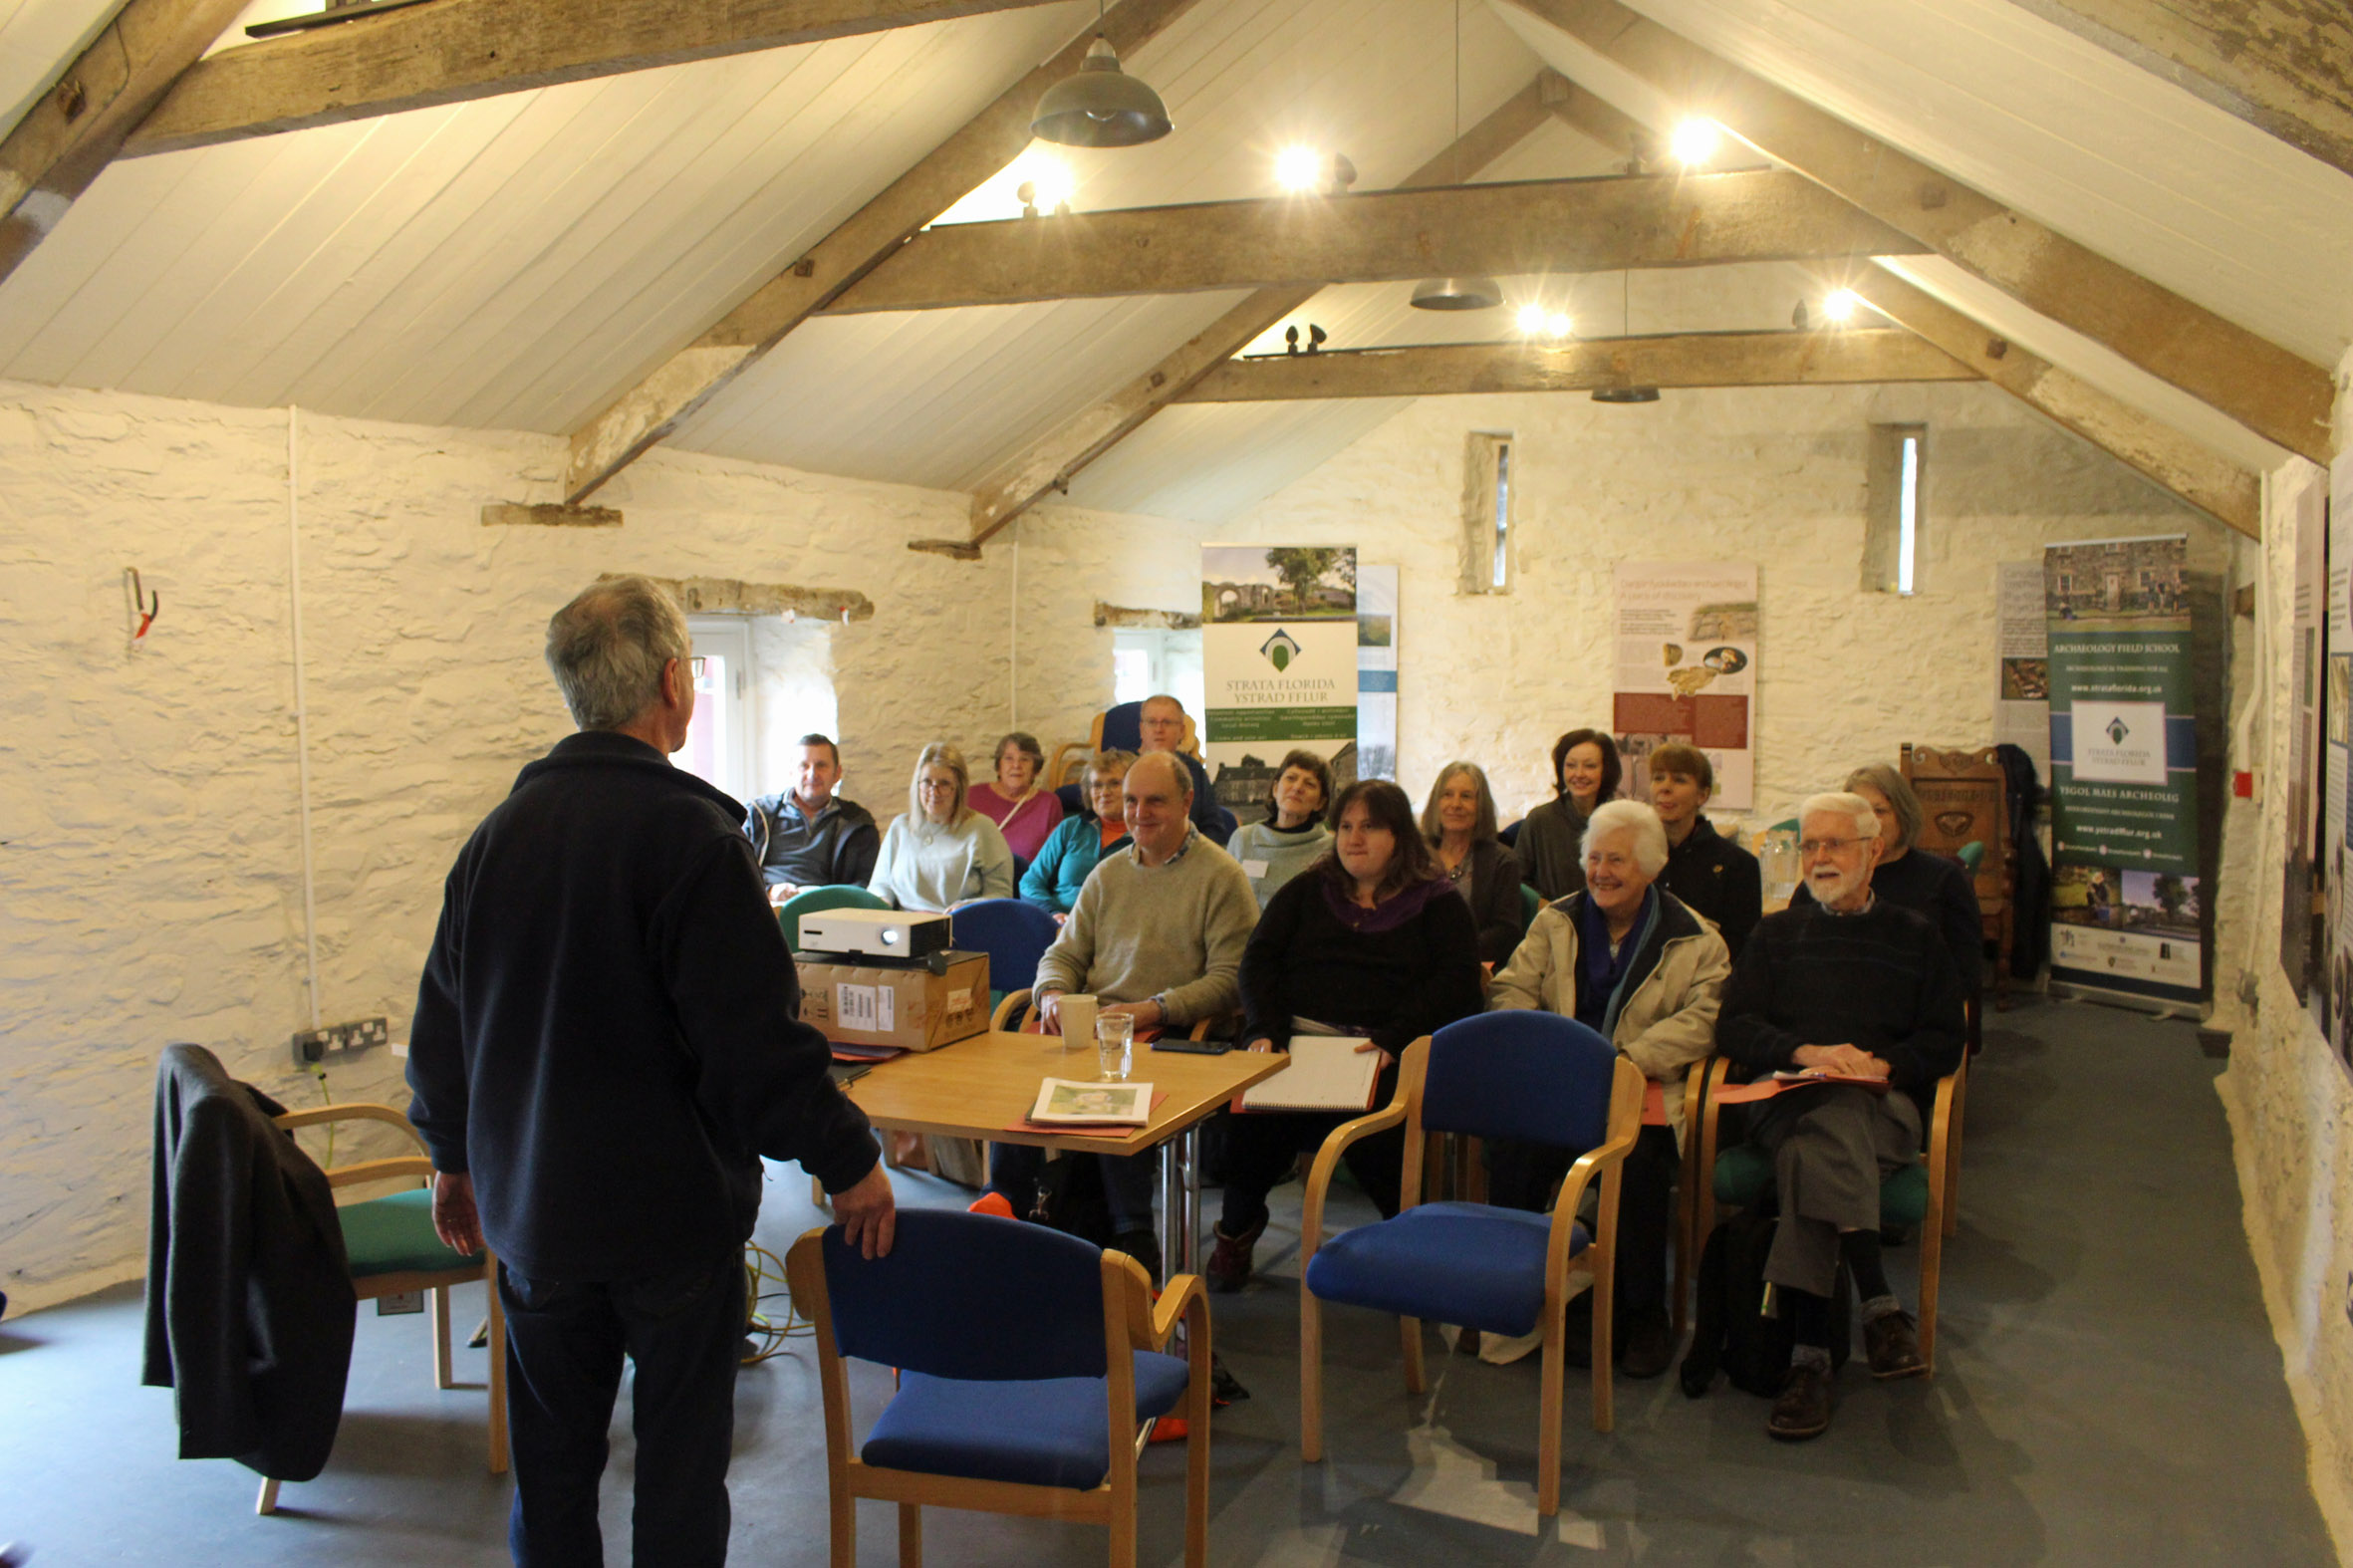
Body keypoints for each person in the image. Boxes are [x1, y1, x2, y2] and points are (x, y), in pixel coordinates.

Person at [405, 576, 895, 1566]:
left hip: (533, 1213)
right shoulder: (695, 841)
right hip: (668, 1221)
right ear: (675, 681)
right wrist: (850, 1160)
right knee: (676, 1476)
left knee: (551, 1471)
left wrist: (450, 1153)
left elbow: (444, 1021)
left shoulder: (494, 839)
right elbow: (754, 1046)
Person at [1715, 792, 1965, 1441]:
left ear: (1873, 850)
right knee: (1828, 1109)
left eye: (1835, 844)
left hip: (1883, 1109)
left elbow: (1945, 1039)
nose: (1819, 857)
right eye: (1810, 845)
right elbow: (1735, 1028)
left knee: (1824, 1134)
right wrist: (1806, 1052)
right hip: (1784, 1098)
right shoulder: (1775, 934)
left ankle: (1808, 1363)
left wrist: (1883, 1066)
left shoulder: (1916, 937)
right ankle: (1879, 1308)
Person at [987, 750, 1258, 1279]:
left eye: (1155, 800)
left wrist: (1152, 1008)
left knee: (1111, 1088)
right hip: (1096, 1025)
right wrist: (1051, 995)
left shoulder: (1221, 877)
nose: (1139, 812)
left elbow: (1230, 980)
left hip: (1170, 1030)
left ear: (1186, 802)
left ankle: (1134, 1240)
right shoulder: (1108, 874)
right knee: (1012, 1089)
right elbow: (1062, 956)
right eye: (1131, 800)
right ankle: (1008, 1214)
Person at [1205, 780, 1484, 1293]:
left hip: (1382, 1051)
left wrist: (1394, 1038)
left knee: (1379, 1135)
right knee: (1249, 1128)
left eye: (1370, 827)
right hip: (1295, 1044)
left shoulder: (1436, 901)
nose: (1354, 839)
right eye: (1347, 827)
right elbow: (1259, 959)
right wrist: (1263, 1030)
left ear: (1399, 835)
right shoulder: (1311, 888)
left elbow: (1458, 980)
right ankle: (1237, 1231)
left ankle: (1409, 1247)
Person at [1484, 801, 1730, 1376]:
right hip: (1557, 1084)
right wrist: (1546, 1045)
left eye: (1615, 860)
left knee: (1638, 1169)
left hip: (1636, 1088)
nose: (1600, 873)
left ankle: (1644, 1315)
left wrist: (1625, 1060)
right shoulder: (1556, 921)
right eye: (1593, 859)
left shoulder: (1695, 938)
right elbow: (1511, 989)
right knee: (1513, 1152)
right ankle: (1511, 1297)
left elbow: (1705, 1019)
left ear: (1648, 867)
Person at [1790, 763, 1982, 996]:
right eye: (1860, 813)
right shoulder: (1828, 878)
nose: (1870, 821)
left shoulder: (1944, 879)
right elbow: (1791, 956)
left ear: (1903, 814)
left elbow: (1965, 971)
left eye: (1880, 811)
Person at [866, 742, 1016, 912]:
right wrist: (883, 902)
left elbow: (1001, 895)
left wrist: (967, 908)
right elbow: (881, 884)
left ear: (958, 788)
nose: (934, 792)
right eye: (927, 782)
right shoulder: (900, 827)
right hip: (902, 926)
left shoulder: (982, 829)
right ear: (917, 784)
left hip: (957, 926)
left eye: (944, 784)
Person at [1649, 741, 1763, 959]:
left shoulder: (1737, 864)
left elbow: (1743, 950)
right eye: (1658, 778)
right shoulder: (1634, 854)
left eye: (1679, 779)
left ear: (1702, 795)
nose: (1665, 787)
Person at [743, 733, 880, 902]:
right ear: (792, 771)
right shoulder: (757, 815)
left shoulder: (857, 822)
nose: (812, 774)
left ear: (837, 774)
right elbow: (735, 873)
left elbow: (866, 883)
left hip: (826, 913)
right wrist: (768, 891)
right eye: (804, 766)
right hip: (764, 907)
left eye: (821, 766)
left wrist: (827, 899)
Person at [1421, 761, 1526, 966]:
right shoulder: (1416, 855)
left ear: (1481, 806)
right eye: (1447, 794)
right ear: (1436, 802)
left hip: (1472, 965)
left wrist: (1453, 950)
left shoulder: (1503, 861)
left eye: (1466, 796)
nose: (1455, 804)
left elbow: (1507, 932)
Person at [1019, 749, 1135, 918]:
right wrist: (1052, 913)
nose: (1104, 792)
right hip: (1061, 925)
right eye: (1097, 785)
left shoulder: (1145, 835)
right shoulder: (1071, 827)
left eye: (1114, 783)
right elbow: (1031, 881)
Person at [1515, 728, 1620, 900]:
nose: (1579, 774)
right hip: (1551, 919)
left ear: (1606, 770)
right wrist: (1541, 904)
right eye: (1571, 765)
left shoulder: (1619, 821)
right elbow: (1517, 880)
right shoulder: (1540, 820)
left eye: (1590, 766)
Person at [1225, 748, 1335, 909]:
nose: (1297, 787)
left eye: (1309, 784)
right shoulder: (1243, 839)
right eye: (1291, 778)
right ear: (1275, 789)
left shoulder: (1331, 850)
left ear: (1320, 803)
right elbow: (1226, 901)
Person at [1137, 693, 1230, 844]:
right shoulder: (1125, 769)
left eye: (1166, 722)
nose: (1159, 729)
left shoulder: (1194, 770)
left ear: (1181, 731)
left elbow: (1213, 827)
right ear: (1142, 729)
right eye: (1152, 722)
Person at [968, 730, 1065, 866]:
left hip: (1024, 882)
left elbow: (1054, 859)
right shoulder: (972, 797)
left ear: (1035, 769)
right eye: (1008, 758)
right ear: (998, 766)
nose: (1016, 765)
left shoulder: (1049, 803)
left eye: (1024, 759)